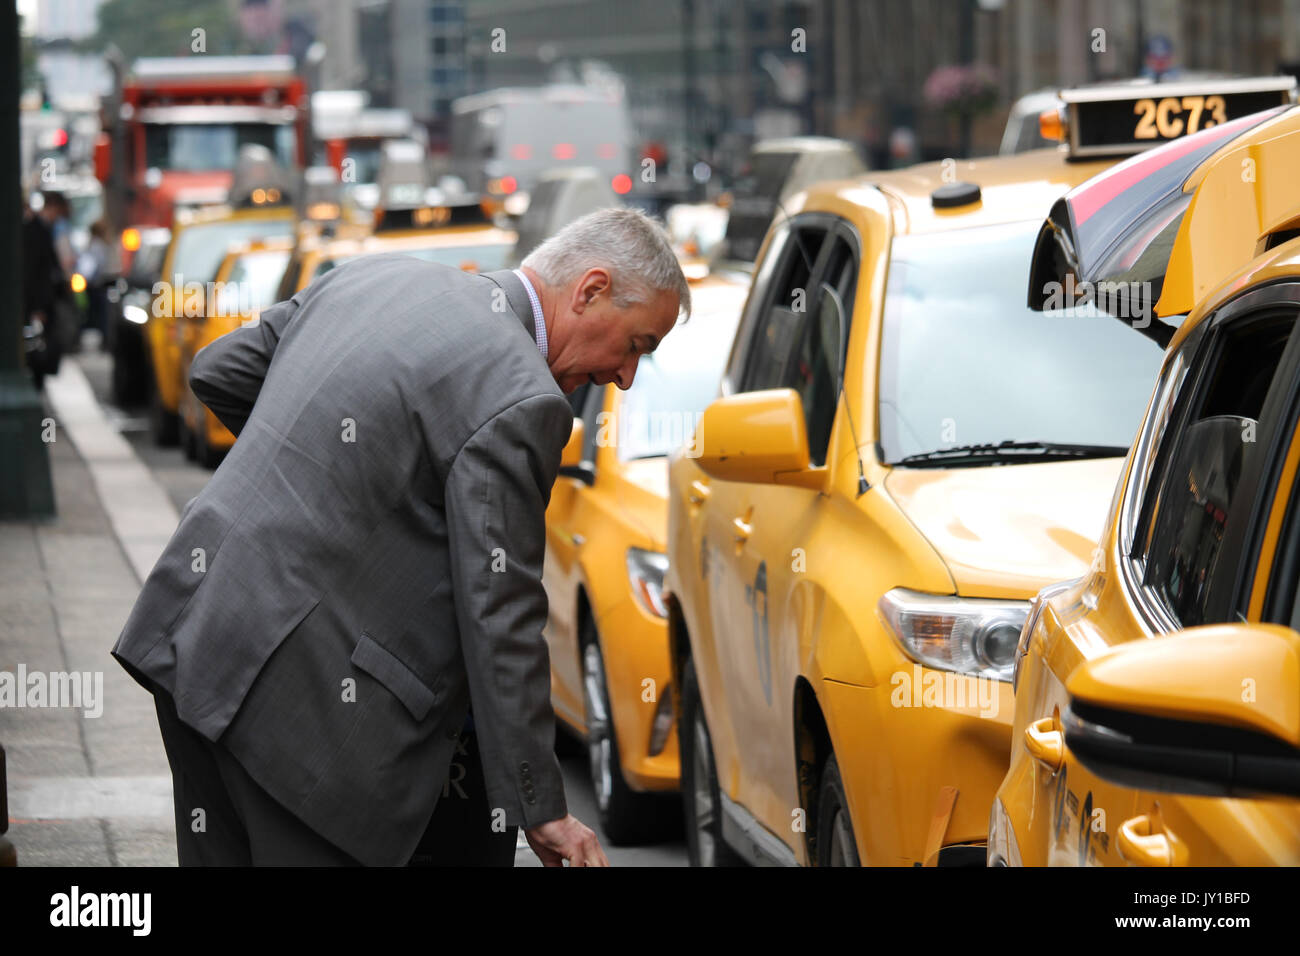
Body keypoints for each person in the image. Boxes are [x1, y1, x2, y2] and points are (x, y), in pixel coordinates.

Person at [111, 207, 690, 866]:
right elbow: (500, 612)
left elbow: (221, 367)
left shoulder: (372, 278)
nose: (626, 375)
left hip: (198, 629)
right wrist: (542, 808)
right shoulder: (525, 399)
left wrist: (336, 483)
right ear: (589, 290)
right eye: (639, 344)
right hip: (309, 718)